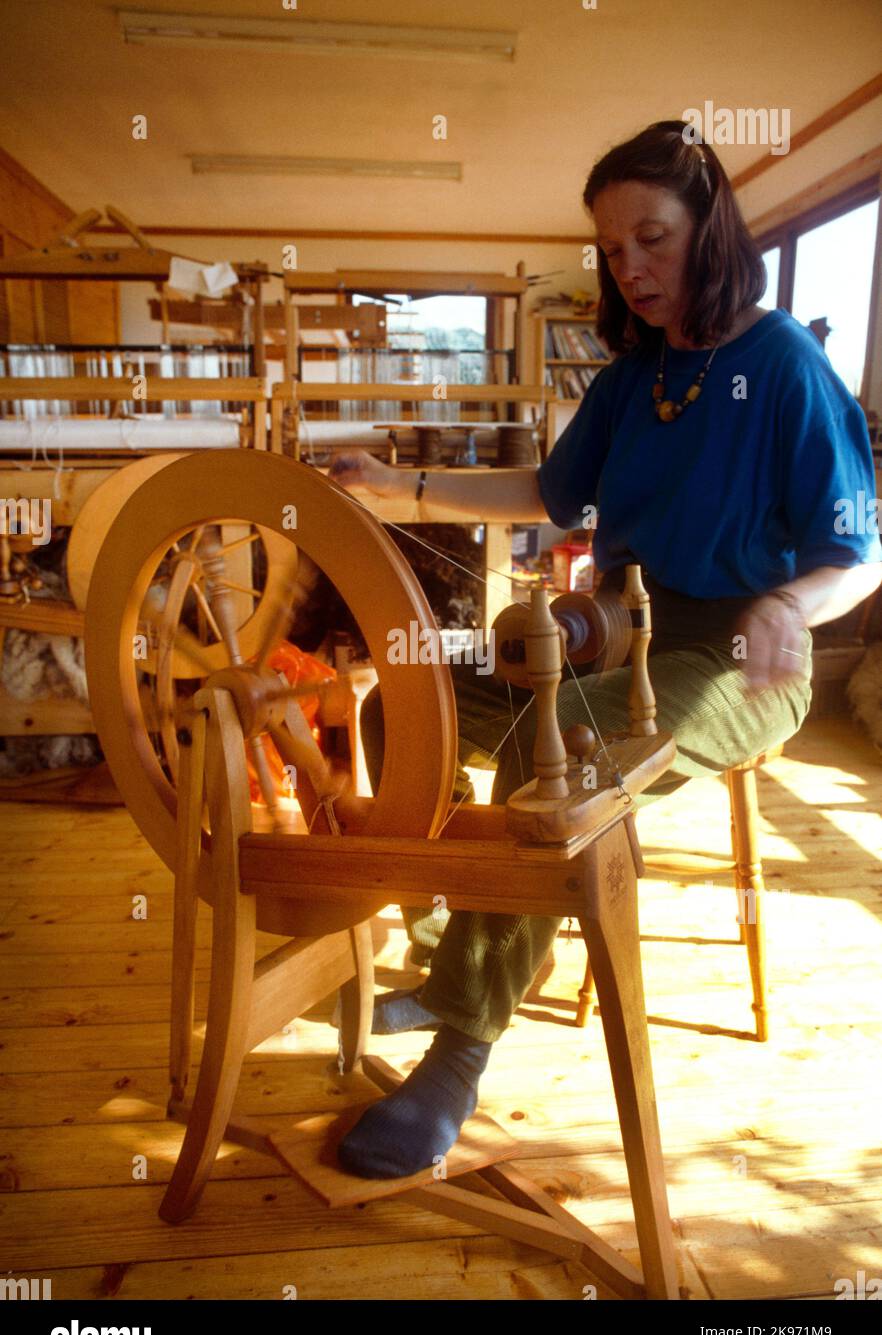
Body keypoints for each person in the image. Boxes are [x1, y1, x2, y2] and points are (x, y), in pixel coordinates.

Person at [327, 120, 882, 1180]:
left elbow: (859, 553)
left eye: (654, 239)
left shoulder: (785, 365)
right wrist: (396, 483)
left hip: (733, 662)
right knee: (406, 702)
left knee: (563, 749)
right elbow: (550, 493)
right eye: (613, 248)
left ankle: (459, 1047)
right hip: (616, 630)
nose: (631, 267)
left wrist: (786, 607)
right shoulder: (637, 378)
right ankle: (458, 942)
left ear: (712, 229)